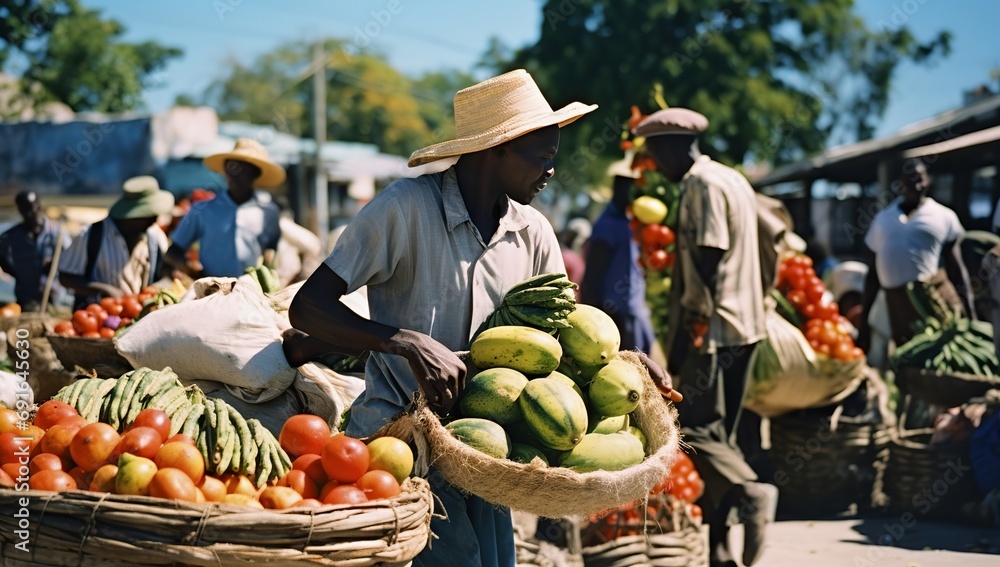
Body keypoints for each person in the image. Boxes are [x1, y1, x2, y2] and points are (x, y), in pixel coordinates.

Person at [282, 70, 678, 567]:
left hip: (491, 453)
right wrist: (404, 341)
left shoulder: (532, 232)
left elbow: (563, 341)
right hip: (400, 450)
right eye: (544, 157)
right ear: (500, 148)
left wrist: (626, 363)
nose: (551, 171)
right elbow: (308, 308)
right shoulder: (403, 209)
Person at [634, 108, 776, 567]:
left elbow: (709, 256)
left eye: (655, 154)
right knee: (723, 444)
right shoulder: (736, 179)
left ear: (675, 145)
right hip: (746, 326)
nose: (655, 165)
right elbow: (772, 241)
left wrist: (687, 335)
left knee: (697, 432)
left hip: (713, 331)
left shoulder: (702, 184)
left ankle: (750, 491)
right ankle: (719, 548)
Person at [858, 159, 972, 351]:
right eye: (909, 180)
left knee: (937, 352)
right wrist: (864, 322)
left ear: (929, 181)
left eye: (920, 179)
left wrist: (970, 310)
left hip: (931, 301)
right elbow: (872, 275)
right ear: (900, 184)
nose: (916, 185)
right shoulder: (883, 220)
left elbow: (956, 267)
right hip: (896, 304)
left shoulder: (943, 216)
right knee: (906, 357)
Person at [165, 138, 284, 278]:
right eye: (231, 169)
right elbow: (174, 251)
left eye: (243, 171)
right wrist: (193, 271)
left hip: (252, 290)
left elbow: (272, 249)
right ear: (225, 172)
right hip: (212, 290)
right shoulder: (201, 210)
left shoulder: (268, 213)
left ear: (255, 174)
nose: (236, 177)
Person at [59, 176, 173, 309]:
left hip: (140, 316)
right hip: (97, 318)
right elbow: (66, 277)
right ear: (132, 214)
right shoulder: (91, 235)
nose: (154, 219)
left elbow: (165, 271)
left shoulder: (155, 236)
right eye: (148, 214)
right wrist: (103, 290)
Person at [580, 156, 655, 353]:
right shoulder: (607, 225)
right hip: (614, 315)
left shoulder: (631, 221)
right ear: (620, 186)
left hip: (633, 313)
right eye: (632, 186)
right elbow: (592, 278)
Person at [0, 191, 68, 311]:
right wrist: (16, 272)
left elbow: (70, 256)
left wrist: (55, 263)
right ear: (20, 210)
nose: (30, 214)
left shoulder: (56, 231)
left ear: (39, 206)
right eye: (24, 209)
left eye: (32, 208)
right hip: (26, 298)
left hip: (53, 296)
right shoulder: (12, 236)